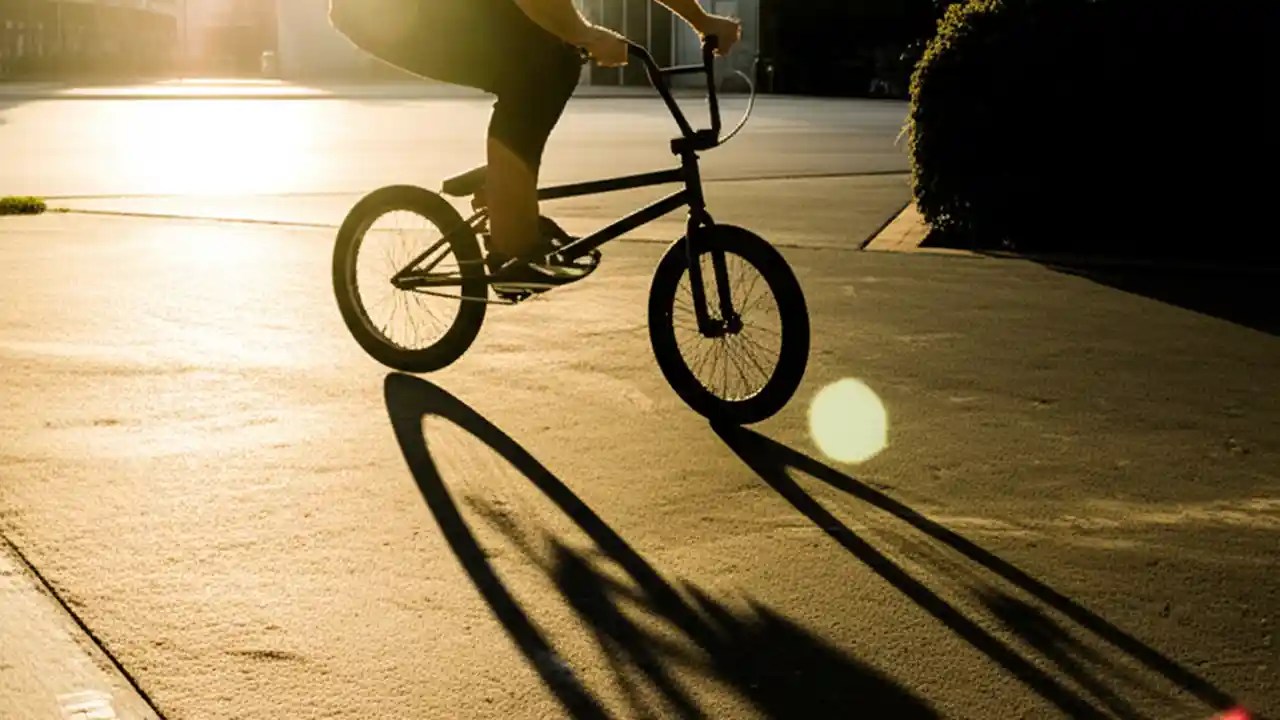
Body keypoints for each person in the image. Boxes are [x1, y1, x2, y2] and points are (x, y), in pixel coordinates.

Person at [330, 0, 741, 289]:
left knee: (555, 56)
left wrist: (702, 21)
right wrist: (585, 35)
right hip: (386, 11)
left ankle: (505, 186)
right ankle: (510, 245)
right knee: (542, 63)